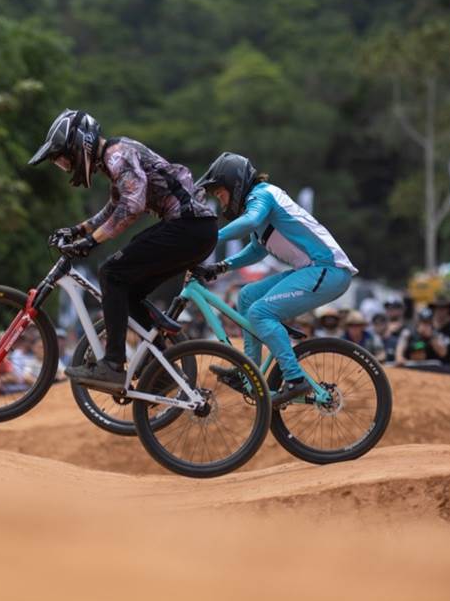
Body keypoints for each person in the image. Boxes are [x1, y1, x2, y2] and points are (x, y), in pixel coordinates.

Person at [31, 110, 217, 394]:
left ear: (82, 142)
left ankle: (113, 363)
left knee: (111, 274)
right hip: (194, 231)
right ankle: (163, 369)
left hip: (188, 227)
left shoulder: (118, 155)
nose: (66, 166)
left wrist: (92, 242)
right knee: (127, 291)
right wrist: (79, 230)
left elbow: (132, 205)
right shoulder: (114, 159)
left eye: (64, 157)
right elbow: (114, 206)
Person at [191, 152, 359, 403]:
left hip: (329, 270)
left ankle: (295, 378)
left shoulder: (262, 195)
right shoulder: (258, 207)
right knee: (246, 296)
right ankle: (248, 372)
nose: (222, 202)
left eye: (220, 193)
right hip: (312, 270)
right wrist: (222, 266)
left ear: (234, 184)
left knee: (260, 312)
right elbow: (256, 250)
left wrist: (212, 237)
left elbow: (251, 220)